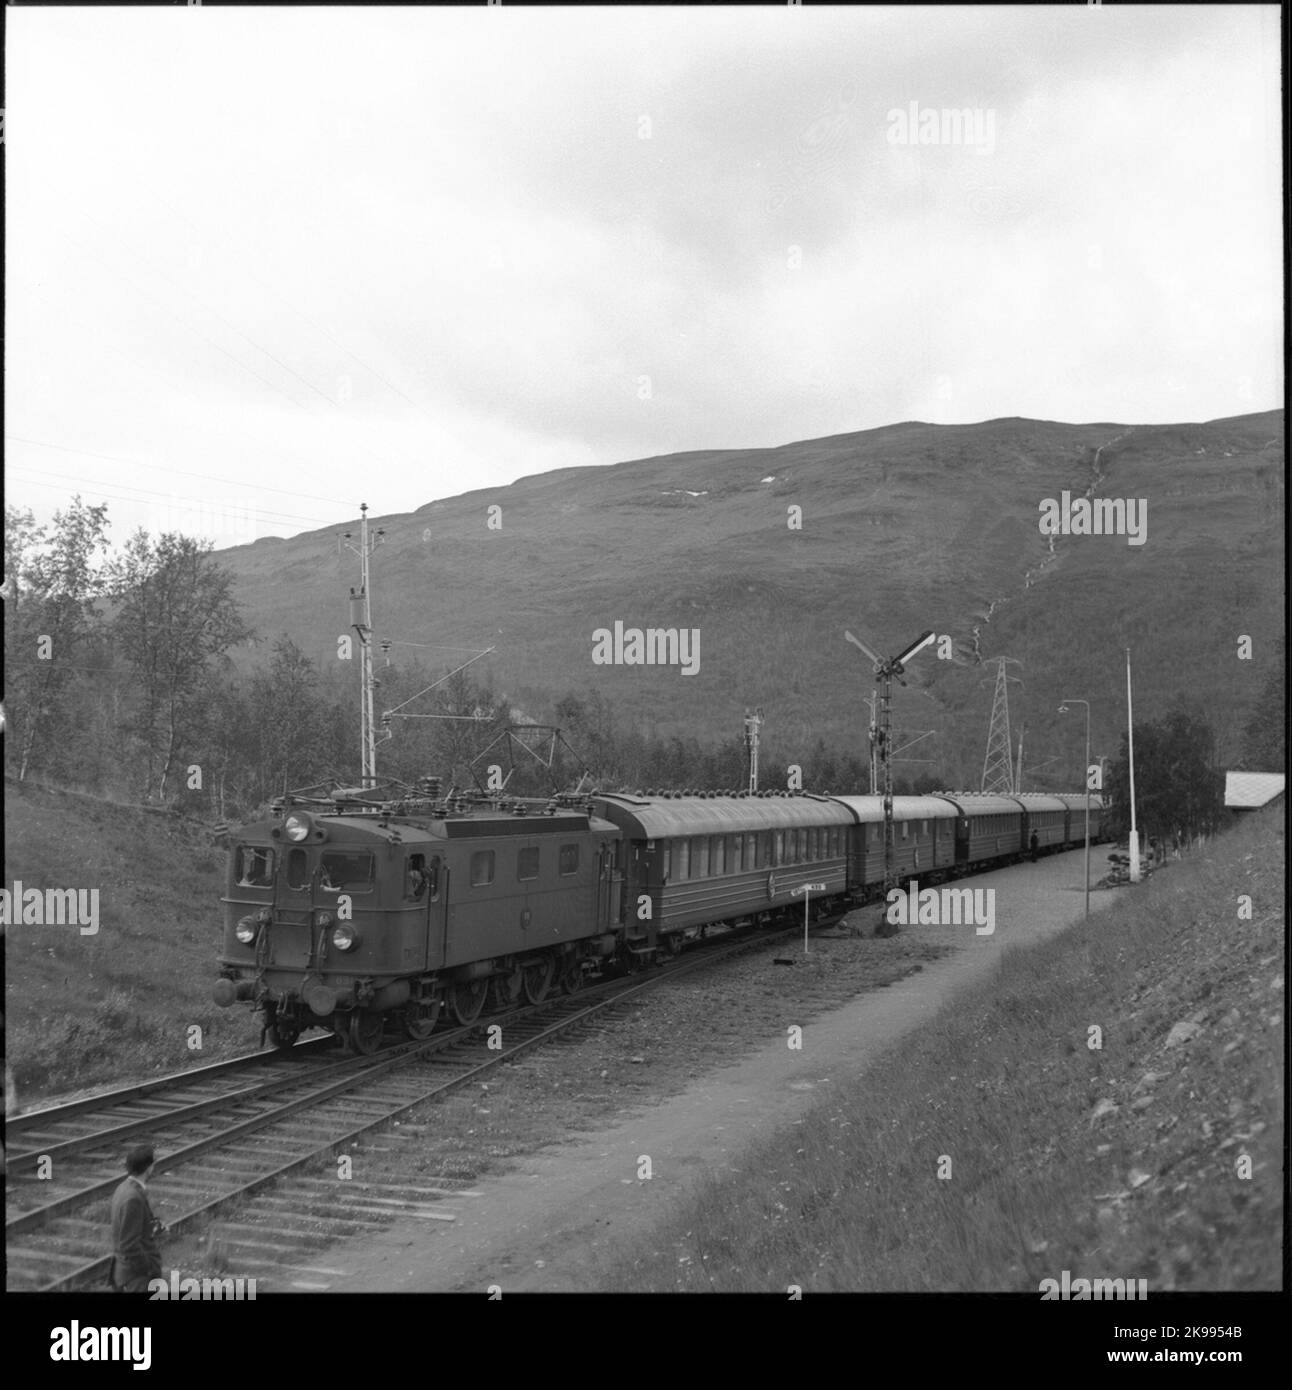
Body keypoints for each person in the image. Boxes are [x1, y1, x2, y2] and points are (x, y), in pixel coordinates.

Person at [109, 1144, 165, 1292]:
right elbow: (129, 1245)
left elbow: (132, 1227)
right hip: (136, 1278)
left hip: (129, 1274)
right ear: (148, 1168)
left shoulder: (123, 1188)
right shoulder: (132, 1198)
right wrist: (148, 1269)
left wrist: (154, 1227)